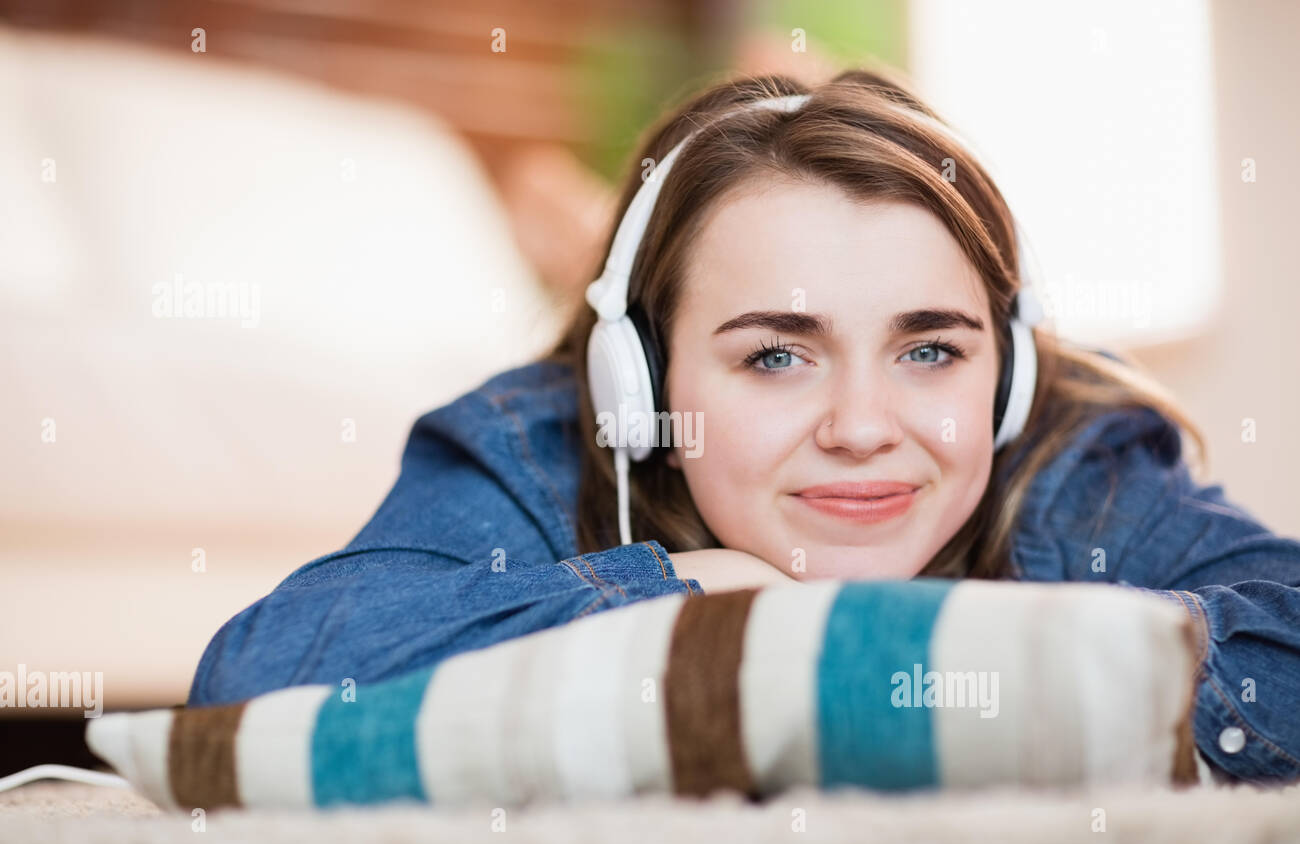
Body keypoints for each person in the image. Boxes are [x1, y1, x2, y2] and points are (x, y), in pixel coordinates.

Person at [187, 69, 1300, 785]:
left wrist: (940, 642)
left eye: (930, 350)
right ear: (639, 380)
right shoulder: (541, 442)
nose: (864, 426)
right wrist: (705, 588)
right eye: (775, 353)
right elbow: (261, 685)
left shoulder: (1063, 457)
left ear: (1004, 378)